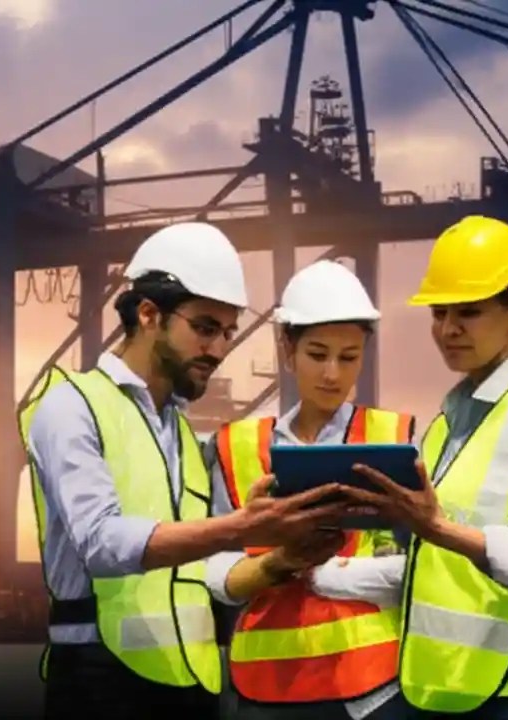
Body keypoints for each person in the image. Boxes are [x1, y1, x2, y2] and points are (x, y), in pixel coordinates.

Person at [19, 222, 351, 718]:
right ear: (148, 314)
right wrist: (241, 526)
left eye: (229, 333)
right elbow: (101, 543)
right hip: (100, 679)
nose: (219, 349)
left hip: (193, 681)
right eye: (204, 328)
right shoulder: (71, 406)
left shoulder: (186, 440)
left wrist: (280, 561)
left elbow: (199, 575)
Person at [334, 215, 508, 718]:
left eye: (468, 312)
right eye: (439, 314)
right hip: (461, 689)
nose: (447, 330)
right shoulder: (445, 428)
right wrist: (324, 572)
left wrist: (437, 529)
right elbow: (436, 567)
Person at [201, 259, 417, 720]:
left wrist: (336, 572)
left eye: (350, 356)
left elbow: (426, 564)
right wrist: (279, 563)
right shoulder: (233, 447)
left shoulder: (397, 438)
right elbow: (214, 571)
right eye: (317, 355)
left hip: (372, 690)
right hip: (267, 691)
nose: (333, 374)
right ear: (287, 349)